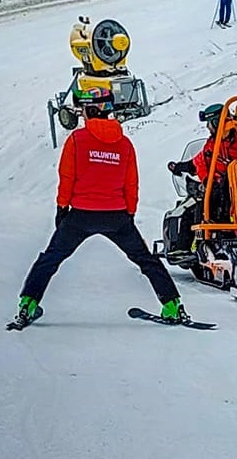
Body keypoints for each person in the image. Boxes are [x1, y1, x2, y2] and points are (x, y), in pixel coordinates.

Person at [12, 87, 186, 329]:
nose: (81, 114)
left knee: (50, 259)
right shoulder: (125, 144)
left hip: (80, 216)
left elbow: (67, 178)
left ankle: (27, 304)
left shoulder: (76, 140)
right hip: (117, 216)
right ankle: (173, 306)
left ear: (91, 110)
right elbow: (131, 184)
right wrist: (129, 214)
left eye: (83, 110)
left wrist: (62, 209)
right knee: (146, 260)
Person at [167, 103, 237, 224]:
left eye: (209, 123)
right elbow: (198, 162)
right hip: (231, 196)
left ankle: (194, 242)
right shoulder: (213, 145)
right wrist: (179, 167)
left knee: (189, 217)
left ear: (216, 122)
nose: (208, 127)